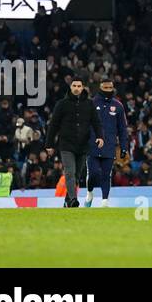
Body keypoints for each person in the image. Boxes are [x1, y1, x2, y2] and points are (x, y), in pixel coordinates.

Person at [46, 76, 100, 208]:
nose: (76, 88)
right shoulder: (62, 104)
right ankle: (72, 200)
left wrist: (100, 136)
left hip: (83, 145)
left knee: (76, 176)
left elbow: (96, 122)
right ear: (70, 87)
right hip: (66, 144)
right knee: (69, 172)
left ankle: (67, 201)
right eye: (74, 86)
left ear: (83, 88)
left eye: (79, 86)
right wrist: (49, 144)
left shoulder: (89, 104)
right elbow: (53, 125)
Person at [85, 77, 129, 208]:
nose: (108, 90)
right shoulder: (91, 104)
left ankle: (105, 201)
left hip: (109, 145)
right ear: (100, 88)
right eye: (106, 88)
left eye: (110, 88)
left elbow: (122, 129)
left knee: (106, 174)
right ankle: (89, 192)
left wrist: (123, 147)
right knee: (92, 173)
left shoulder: (118, 106)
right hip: (92, 145)